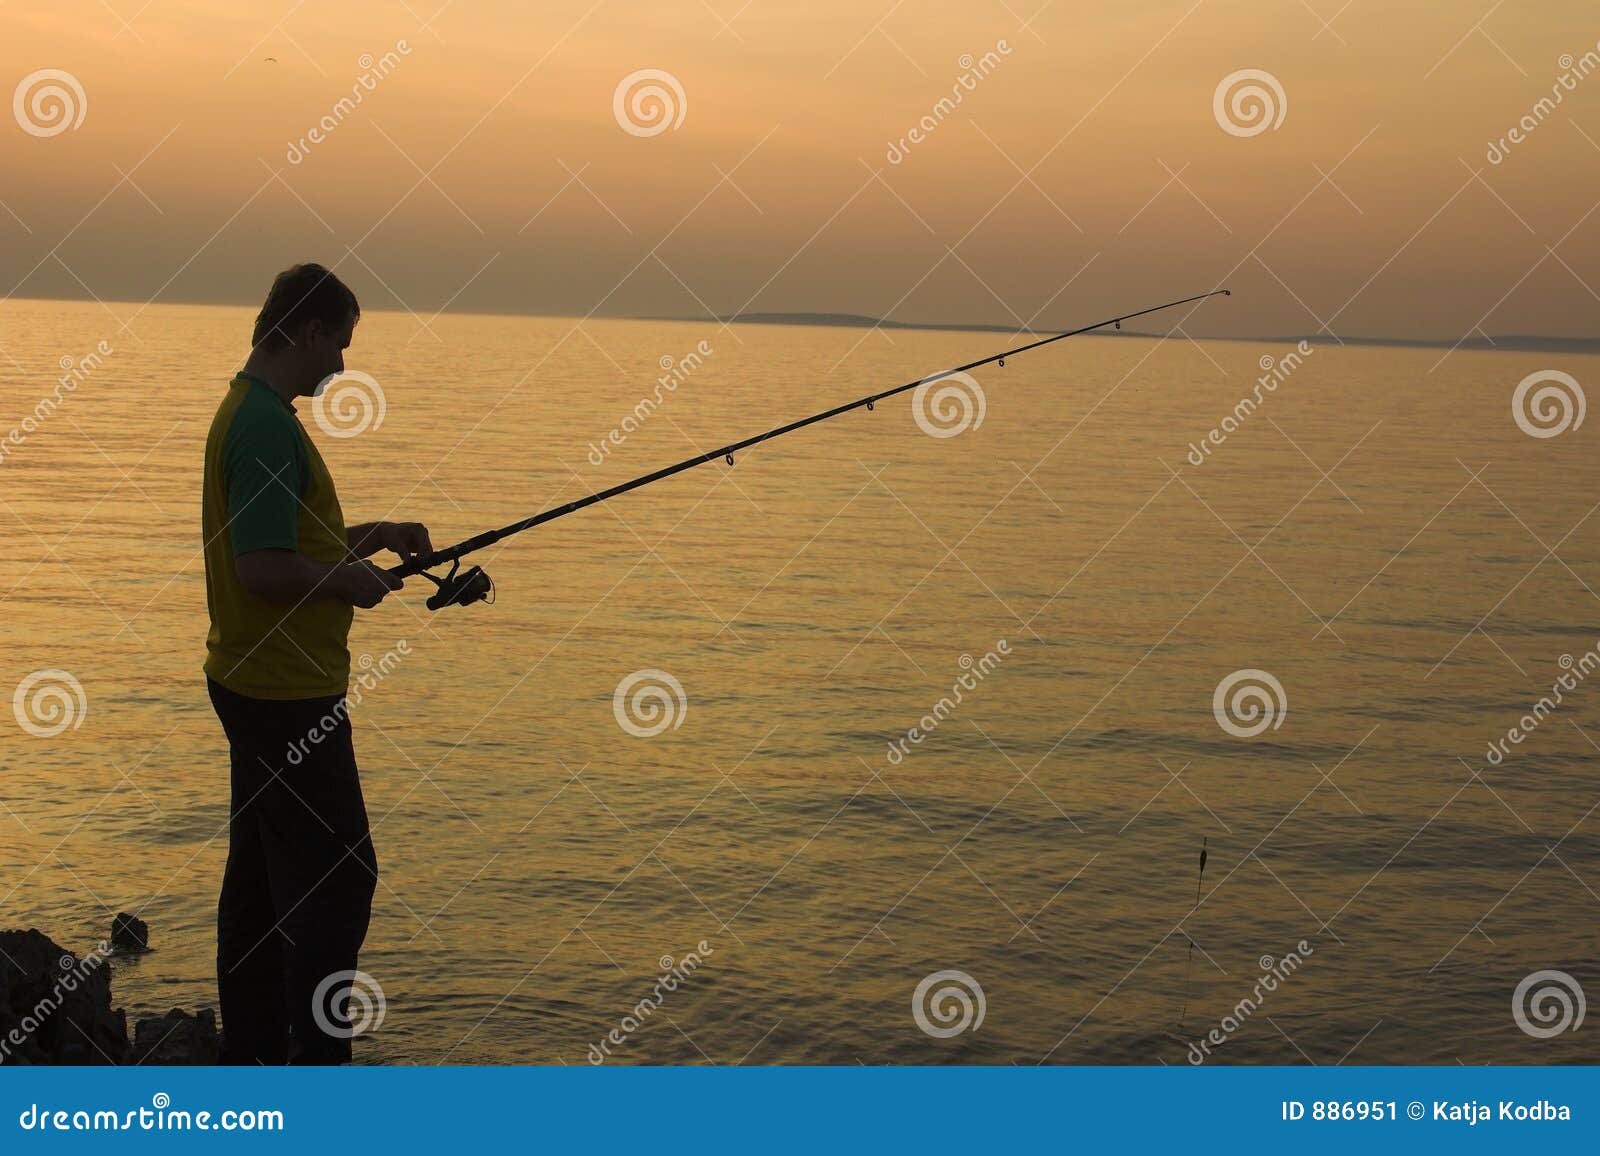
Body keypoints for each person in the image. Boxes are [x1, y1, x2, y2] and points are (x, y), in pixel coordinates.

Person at [201, 263, 430, 1064]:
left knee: (260, 882)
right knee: (342, 882)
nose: (341, 362)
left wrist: (373, 533)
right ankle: (316, 1067)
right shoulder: (264, 427)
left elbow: (285, 540)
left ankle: (254, 1052)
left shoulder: (254, 411)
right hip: (285, 694)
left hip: (252, 680)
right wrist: (351, 584)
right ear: (305, 329)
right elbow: (260, 570)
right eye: (339, 340)